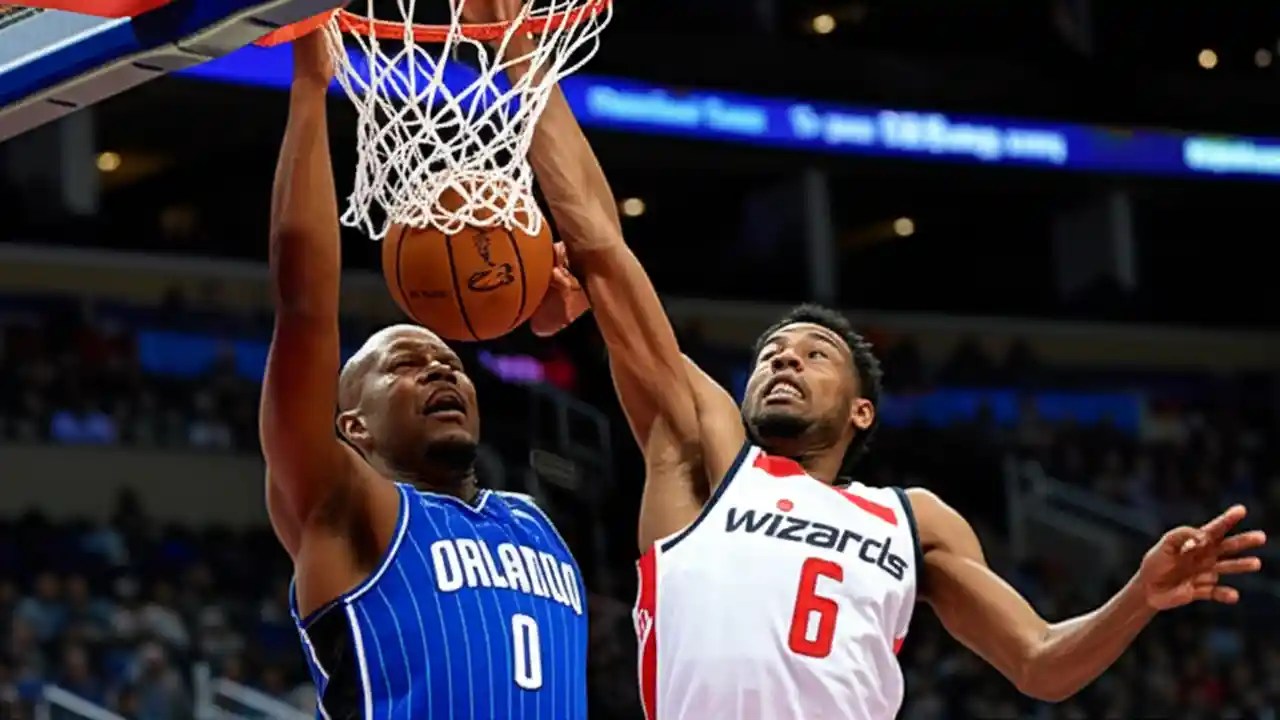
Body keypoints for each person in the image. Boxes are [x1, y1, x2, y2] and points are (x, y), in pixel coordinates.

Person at [487, 10, 1271, 719]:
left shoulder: (913, 519)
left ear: (862, 409)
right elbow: (602, 244)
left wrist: (1138, 597)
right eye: (769, 353)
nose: (784, 358)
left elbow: (1039, 662)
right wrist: (519, 54)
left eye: (814, 352)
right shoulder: (702, 455)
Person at [262, 31, 590, 719]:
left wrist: (597, 296)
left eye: (450, 364)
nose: (441, 369)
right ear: (352, 426)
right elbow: (304, 306)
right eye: (405, 365)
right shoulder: (346, 508)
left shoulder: (535, 522)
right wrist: (309, 90)